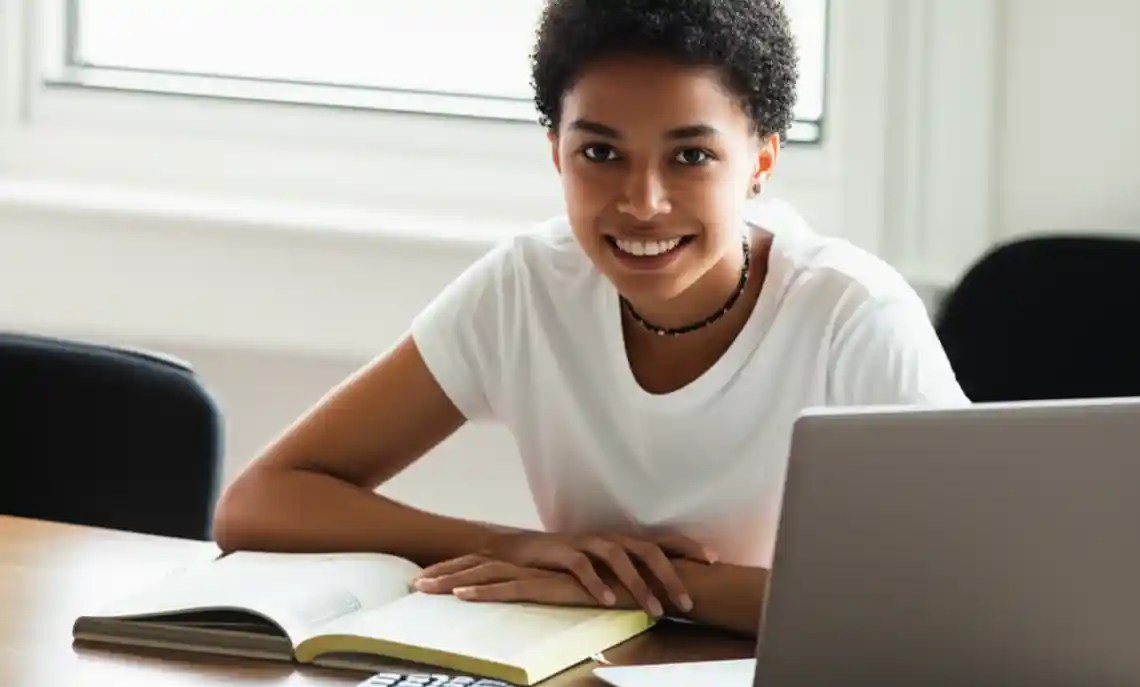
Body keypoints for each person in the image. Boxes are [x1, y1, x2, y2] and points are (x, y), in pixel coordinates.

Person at [212, 0, 968, 637]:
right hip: (594, 676)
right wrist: (523, 547)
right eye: (601, 152)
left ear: (762, 161)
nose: (642, 201)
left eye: (691, 157)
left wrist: (633, 586)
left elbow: (955, 601)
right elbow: (260, 502)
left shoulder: (853, 315)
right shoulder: (528, 288)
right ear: (556, 154)